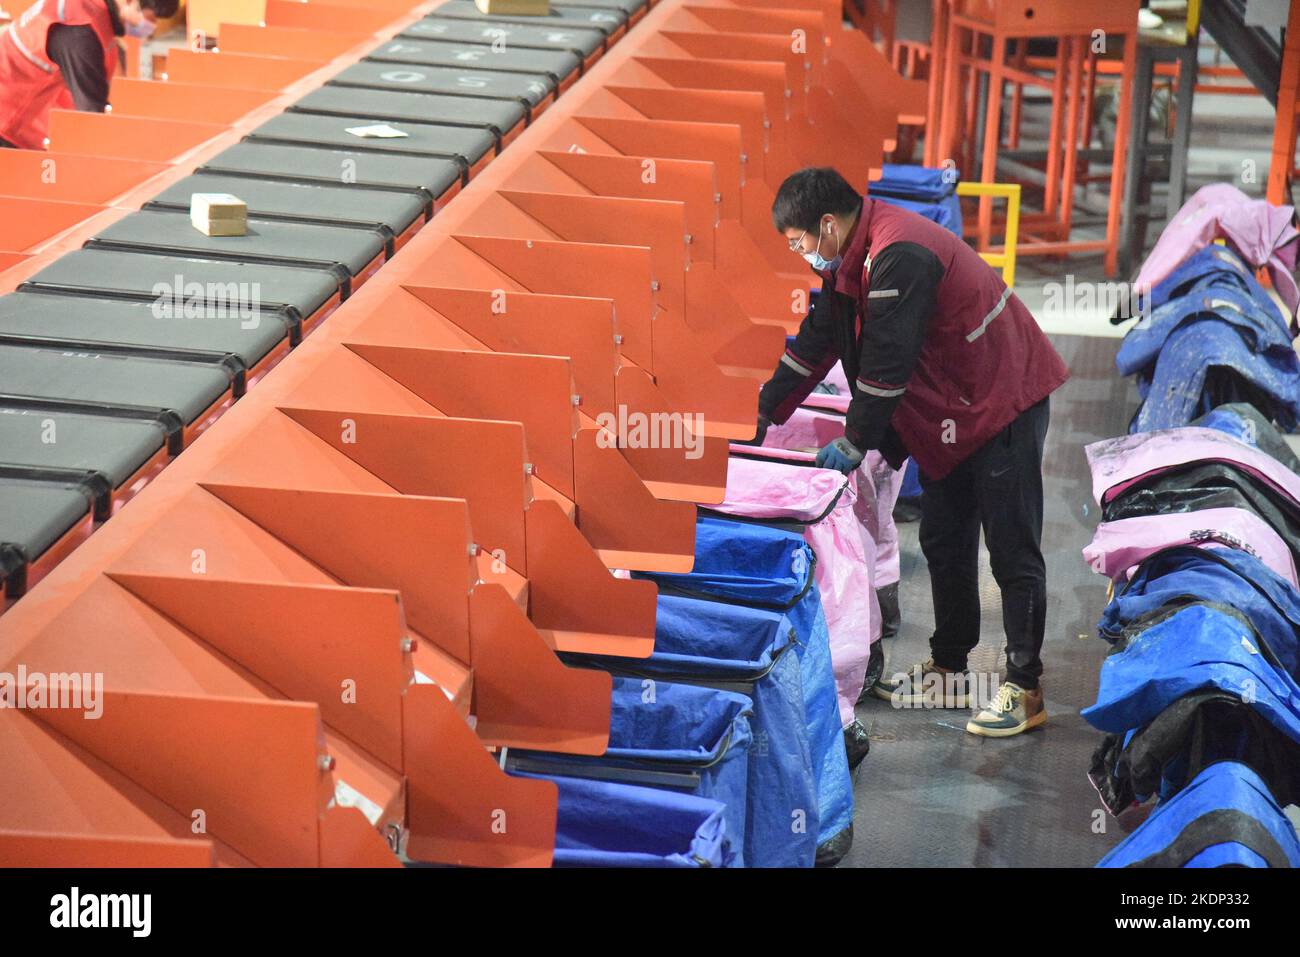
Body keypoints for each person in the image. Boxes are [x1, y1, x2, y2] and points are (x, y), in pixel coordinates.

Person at [753, 166, 1069, 737]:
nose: (802, 256)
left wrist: (856, 440)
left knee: (1011, 547)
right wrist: (765, 410)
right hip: (953, 409)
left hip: (1001, 399)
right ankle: (951, 667)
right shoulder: (856, 259)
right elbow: (820, 339)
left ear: (827, 226)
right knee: (945, 538)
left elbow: (885, 367)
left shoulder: (900, 253)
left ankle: (1025, 686)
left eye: (799, 243)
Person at [0, 0, 178, 151]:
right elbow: (90, 115)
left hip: (23, 112)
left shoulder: (89, 12)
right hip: (7, 114)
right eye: (150, 18)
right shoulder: (79, 31)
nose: (151, 28)